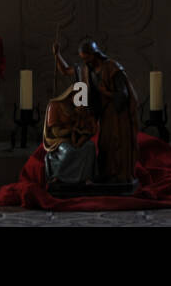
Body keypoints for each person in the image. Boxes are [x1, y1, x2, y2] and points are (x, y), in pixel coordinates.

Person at [52, 37, 139, 183]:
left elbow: (123, 95)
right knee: (105, 143)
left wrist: (105, 93)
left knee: (118, 144)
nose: (86, 62)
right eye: (83, 59)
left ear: (95, 54)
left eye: (87, 58)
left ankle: (120, 176)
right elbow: (66, 71)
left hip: (118, 113)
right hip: (104, 112)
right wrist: (57, 54)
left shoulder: (112, 67)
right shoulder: (86, 69)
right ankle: (107, 173)